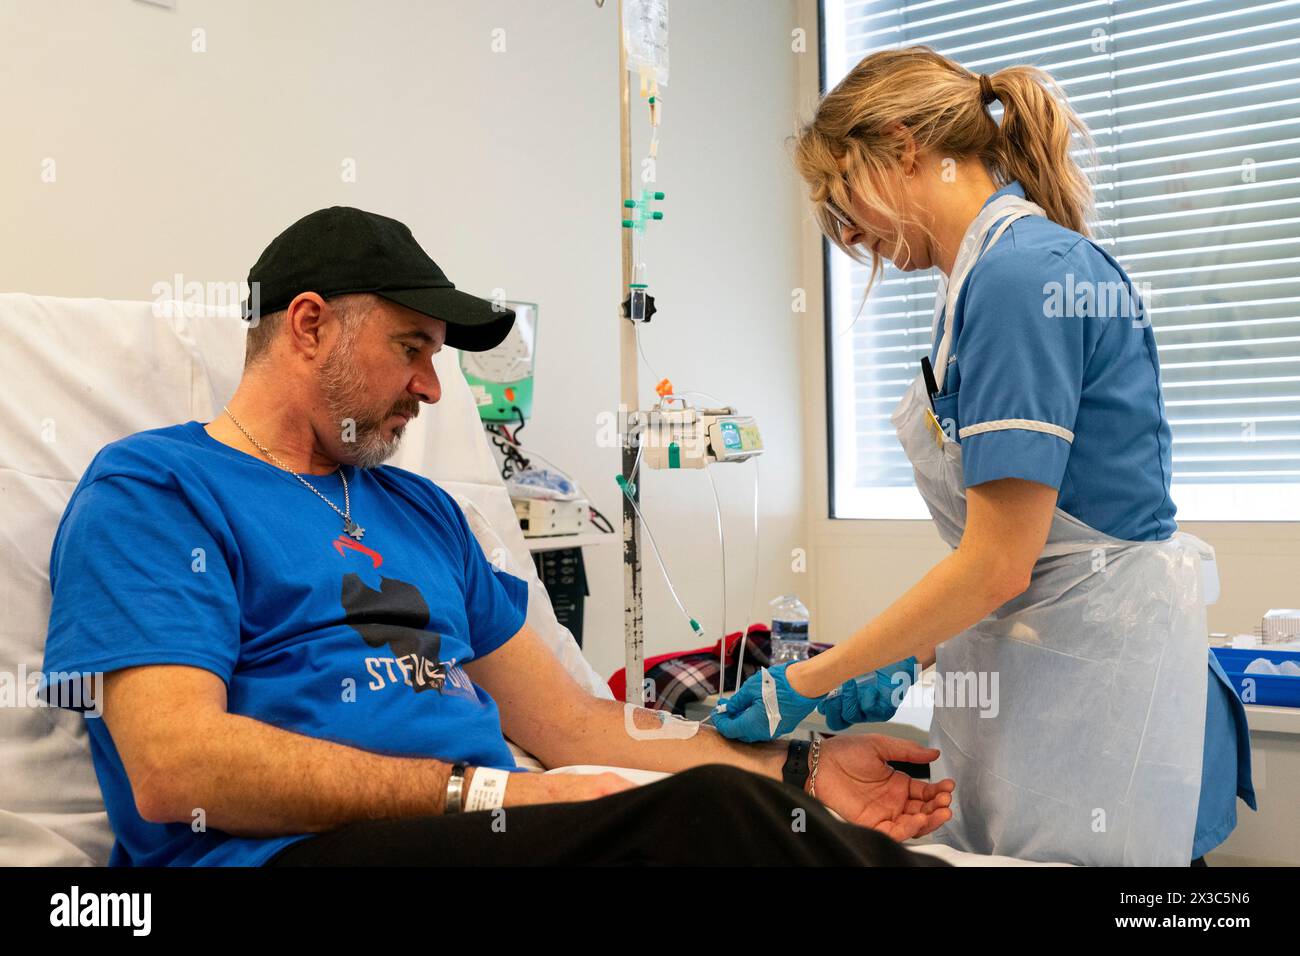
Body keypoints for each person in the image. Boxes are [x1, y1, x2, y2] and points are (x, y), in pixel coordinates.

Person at [40, 205, 954, 867]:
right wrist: (492, 792)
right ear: (310, 326)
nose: (435, 388)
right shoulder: (157, 490)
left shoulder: (422, 511)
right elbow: (174, 766)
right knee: (702, 821)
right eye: (413, 348)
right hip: (291, 855)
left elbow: (575, 722)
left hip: (488, 834)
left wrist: (794, 770)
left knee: (722, 809)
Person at [712, 48, 1255, 867]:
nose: (846, 233)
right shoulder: (976, 287)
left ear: (902, 145)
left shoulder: (1020, 277)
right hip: (1061, 684)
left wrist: (807, 684)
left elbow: (1000, 562)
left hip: (1104, 703)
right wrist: (912, 653)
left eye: (841, 194)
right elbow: (1032, 554)